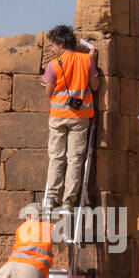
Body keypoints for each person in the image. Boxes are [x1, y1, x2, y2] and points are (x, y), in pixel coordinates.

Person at [41, 24, 100, 218]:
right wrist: (94, 60)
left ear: (60, 44)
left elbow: (48, 91)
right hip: (80, 116)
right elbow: (95, 85)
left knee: (56, 157)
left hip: (58, 116)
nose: (51, 49)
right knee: (75, 159)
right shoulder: (86, 60)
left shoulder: (53, 64)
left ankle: (51, 199)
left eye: (52, 45)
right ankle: (69, 200)